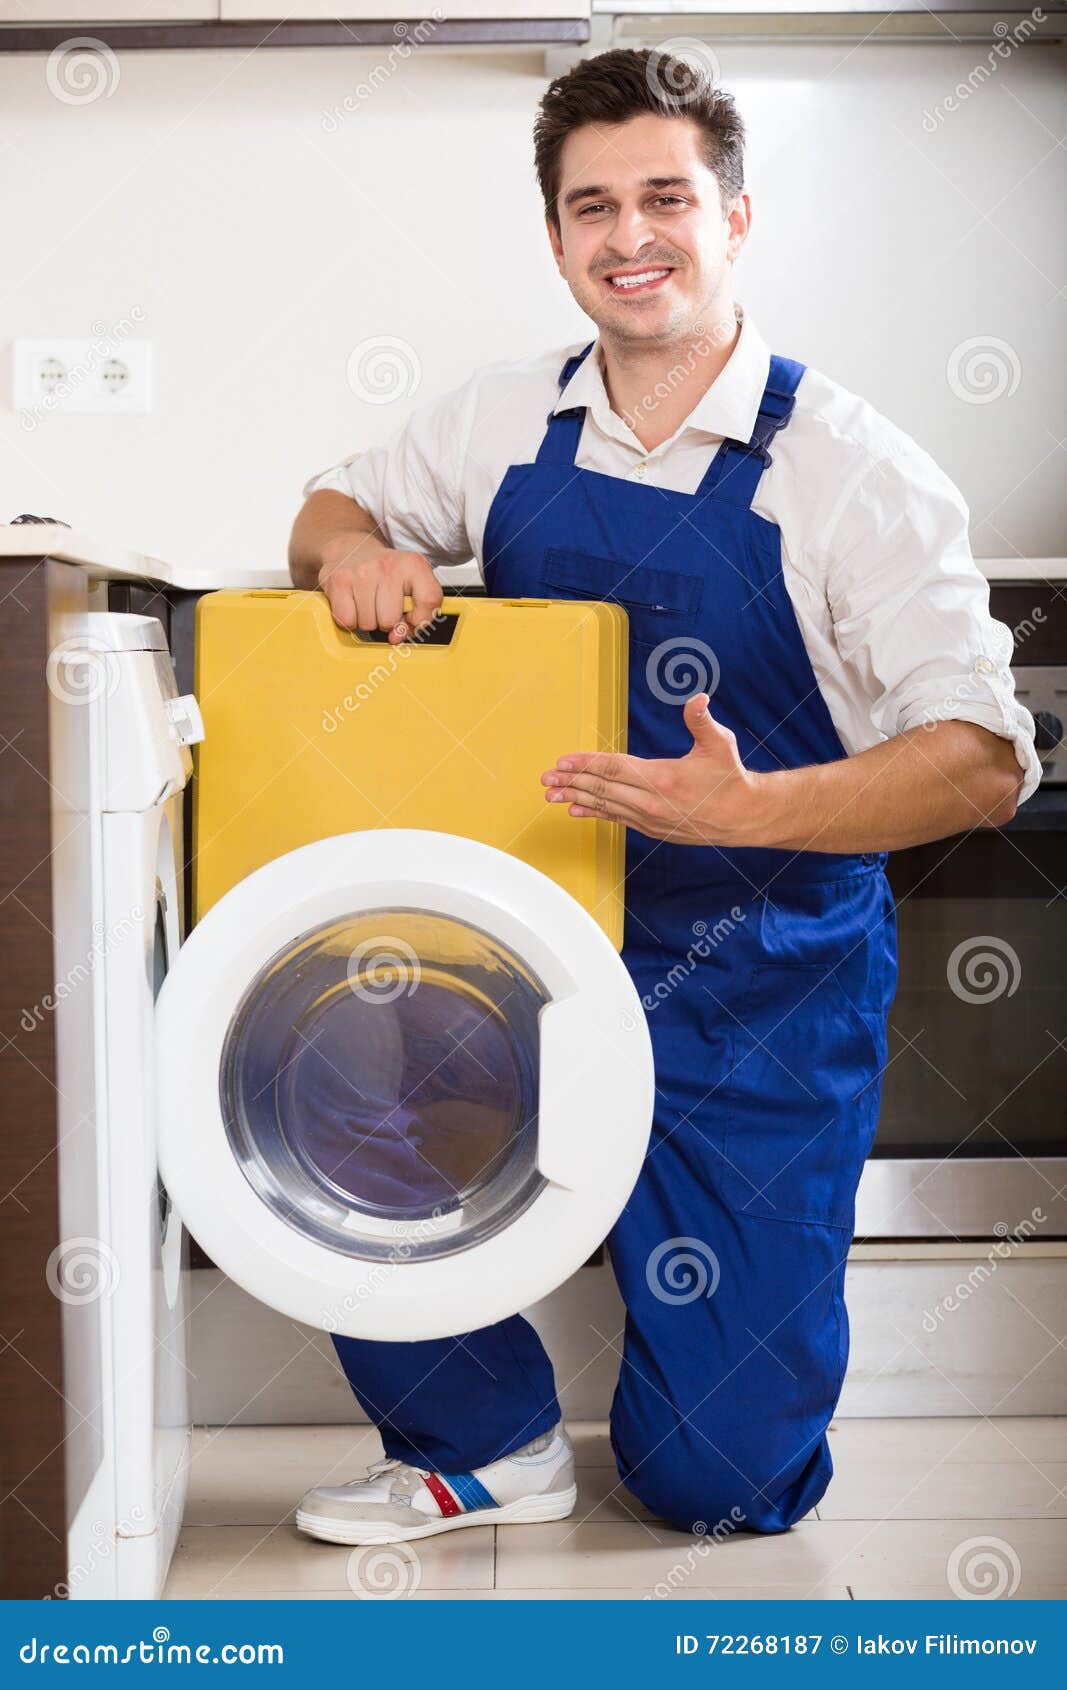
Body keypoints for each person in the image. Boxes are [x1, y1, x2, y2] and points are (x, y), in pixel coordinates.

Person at [286, 48, 1040, 1546]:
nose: (631, 237)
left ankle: (703, 1411)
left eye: (665, 198)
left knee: (717, 1484)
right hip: (522, 948)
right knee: (325, 1094)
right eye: (592, 208)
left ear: (737, 217)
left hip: (758, 988)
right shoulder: (502, 419)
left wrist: (749, 811)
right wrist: (349, 551)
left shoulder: (846, 467)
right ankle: (483, 1438)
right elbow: (334, 502)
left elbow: (986, 753)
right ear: (556, 238)